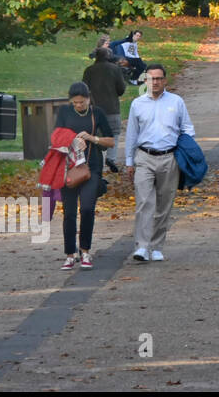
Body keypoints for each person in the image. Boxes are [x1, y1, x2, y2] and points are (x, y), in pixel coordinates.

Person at [123, 63, 195, 262]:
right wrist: (129, 161)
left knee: (164, 204)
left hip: (169, 157)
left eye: (158, 78)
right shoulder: (138, 104)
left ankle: (156, 245)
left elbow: (187, 128)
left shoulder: (176, 102)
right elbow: (131, 134)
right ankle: (142, 246)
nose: (155, 82)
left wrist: (185, 152)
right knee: (144, 202)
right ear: (145, 80)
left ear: (165, 80)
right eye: (151, 78)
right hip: (144, 157)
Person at [56, 82, 114, 270]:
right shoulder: (64, 112)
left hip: (91, 168)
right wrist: (72, 140)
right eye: (75, 103)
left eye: (81, 102)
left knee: (88, 209)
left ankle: (85, 250)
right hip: (68, 168)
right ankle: (70, 254)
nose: (78, 106)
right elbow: (55, 137)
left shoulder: (97, 114)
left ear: (88, 99)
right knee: (70, 213)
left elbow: (111, 140)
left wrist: (92, 138)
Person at [82, 47, 126, 172]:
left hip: (94, 110)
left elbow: (84, 90)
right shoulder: (115, 69)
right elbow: (121, 89)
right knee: (114, 133)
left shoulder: (89, 71)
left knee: (95, 136)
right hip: (112, 108)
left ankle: (98, 163)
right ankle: (111, 158)